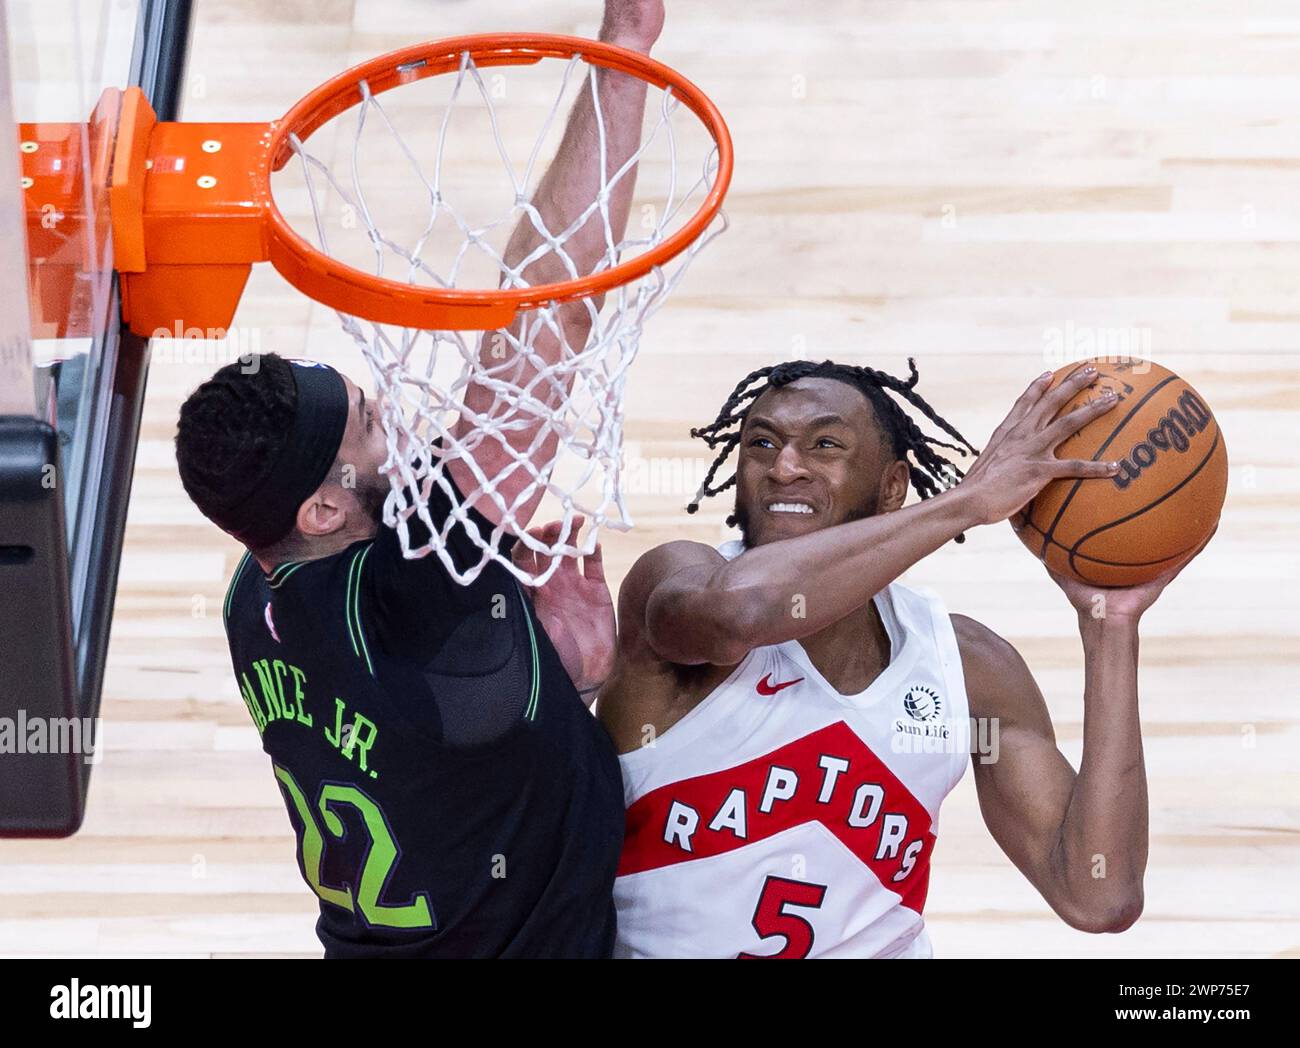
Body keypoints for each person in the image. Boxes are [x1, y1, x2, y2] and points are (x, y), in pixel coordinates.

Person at [172, 0, 665, 957]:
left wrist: (555, 677)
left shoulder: (255, 599)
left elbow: (436, 741)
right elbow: (550, 308)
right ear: (321, 506)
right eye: (368, 425)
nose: (395, 418)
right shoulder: (418, 585)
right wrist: (625, 54)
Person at [598, 358, 1208, 958]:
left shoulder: (967, 666)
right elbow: (744, 612)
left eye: (824, 445)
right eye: (762, 443)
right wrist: (966, 503)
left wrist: (1111, 629)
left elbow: (1099, 897)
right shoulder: (674, 585)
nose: (785, 466)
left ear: (892, 487)